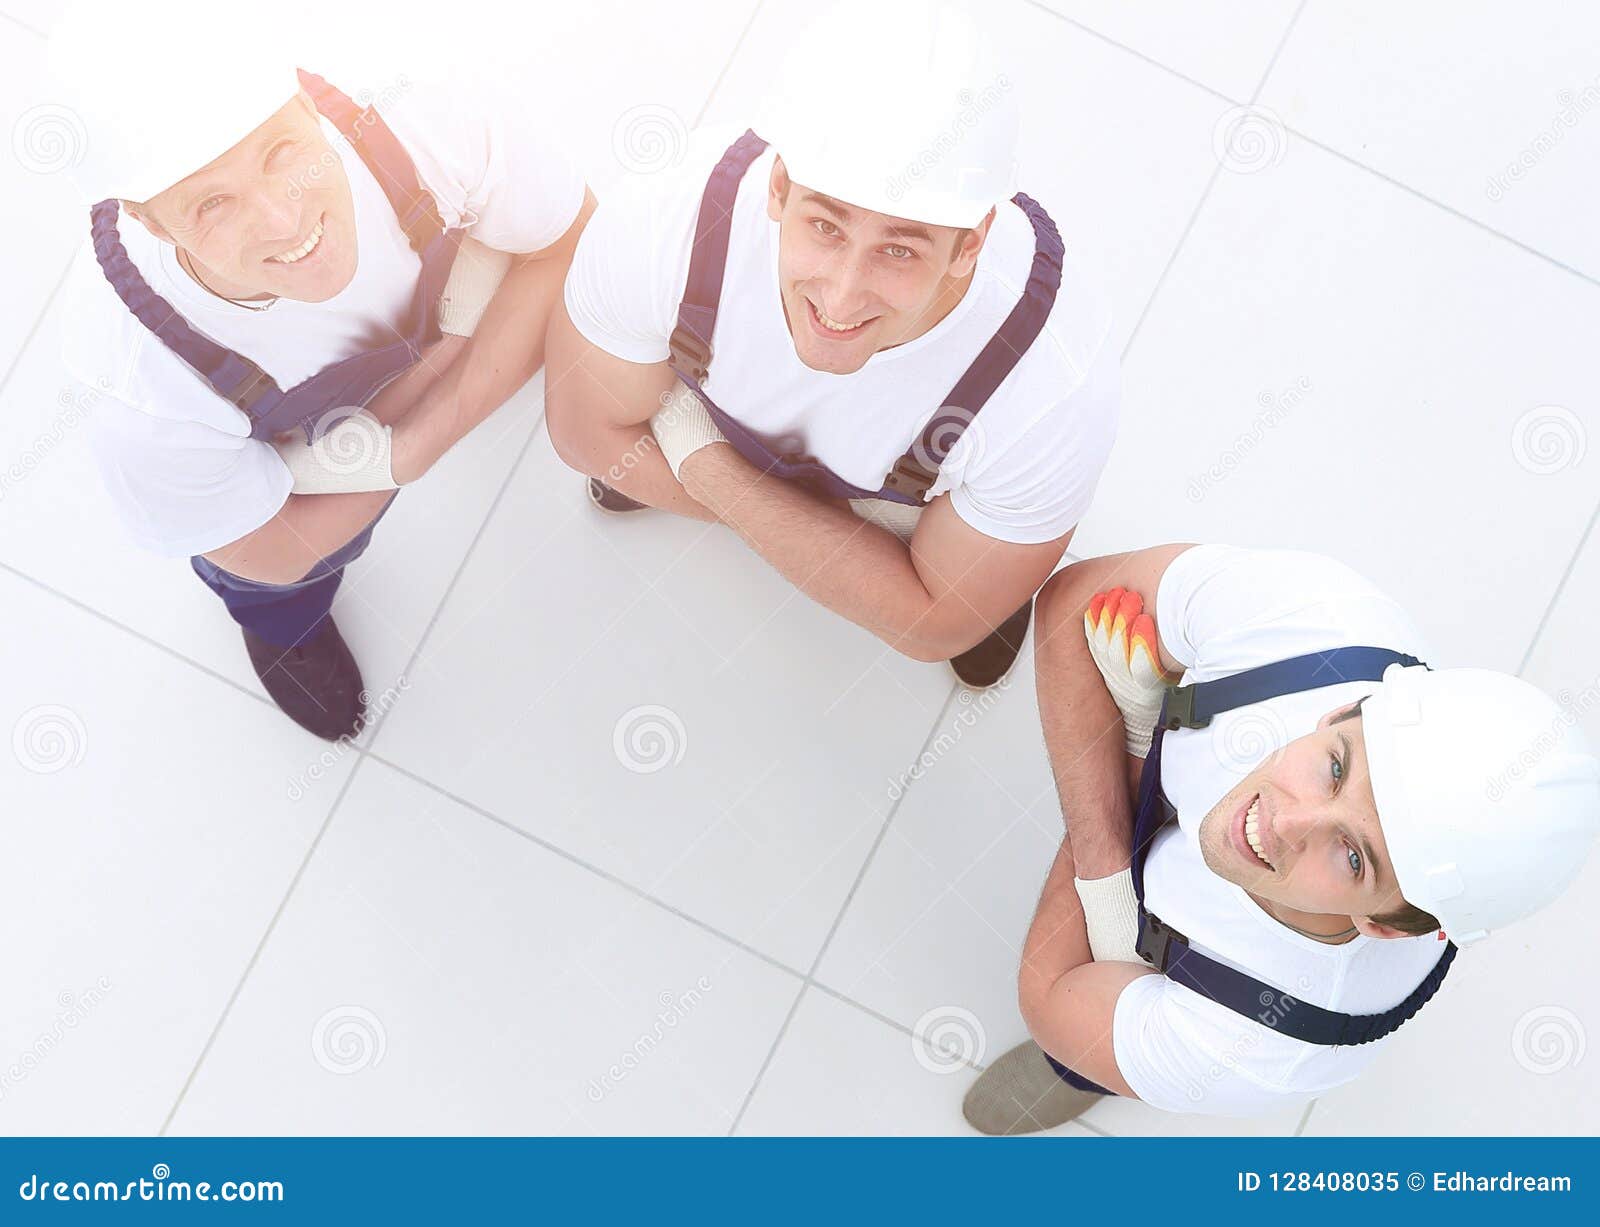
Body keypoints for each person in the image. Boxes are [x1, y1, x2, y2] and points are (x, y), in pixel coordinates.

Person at [50, 3, 593, 739]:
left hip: (414, 371)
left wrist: (439, 399)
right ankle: (286, 629)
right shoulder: (135, 380)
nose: (284, 219)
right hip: (291, 492)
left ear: (306, 97)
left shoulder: (423, 105)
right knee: (280, 586)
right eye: (212, 204)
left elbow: (567, 241)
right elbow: (263, 546)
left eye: (280, 151)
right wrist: (403, 453)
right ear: (149, 221)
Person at [545, 2, 1118, 687]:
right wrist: (862, 564)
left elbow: (932, 624)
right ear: (780, 188)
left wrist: (702, 463)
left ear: (970, 245)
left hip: (897, 484)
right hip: (870, 502)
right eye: (827, 227)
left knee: (965, 608)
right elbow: (585, 438)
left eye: (899, 251)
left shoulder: (1052, 389)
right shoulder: (665, 222)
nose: (842, 298)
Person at [963, 543, 1600, 1131]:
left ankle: (1081, 1072)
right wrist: (1113, 843)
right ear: (1343, 711)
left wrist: (1129, 756)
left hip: (1185, 991)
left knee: (1075, 1034)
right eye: (1336, 768)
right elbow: (1071, 605)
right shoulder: (1322, 626)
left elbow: (1049, 994)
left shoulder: (1264, 1043)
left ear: (1384, 926)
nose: (1286, 824)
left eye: (1353, 857)